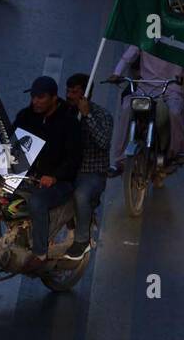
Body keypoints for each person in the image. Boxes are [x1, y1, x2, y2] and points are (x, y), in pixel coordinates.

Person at [11, 76, 83, 274]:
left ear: (53, 98)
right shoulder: (25, 116)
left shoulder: (69, 123)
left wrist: (55, 177)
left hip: (60, 183)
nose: (35, 101)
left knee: (37, 202)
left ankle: (40, 253)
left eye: (41, 97)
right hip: (29, 176)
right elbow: (11, 141)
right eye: (33, 97)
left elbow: (73, 159)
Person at [108, 47, 184, 174]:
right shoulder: (147, 33)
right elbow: (129, 55)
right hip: (144, 88)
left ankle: (176, 152)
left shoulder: (179, 34)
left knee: (175, 112)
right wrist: (117, 73)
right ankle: (120, 160)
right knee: (126, 109)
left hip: (171, 89)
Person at [64, 73, 111, 255]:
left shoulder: (102, 115)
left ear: (86, 94)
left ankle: (82, 240)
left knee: (80, 194)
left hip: (91, 172)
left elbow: (103, 142)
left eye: (75, 92)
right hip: (68, 168)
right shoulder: (65, 111)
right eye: (68, 91)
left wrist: (87, 116)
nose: (69, 96)